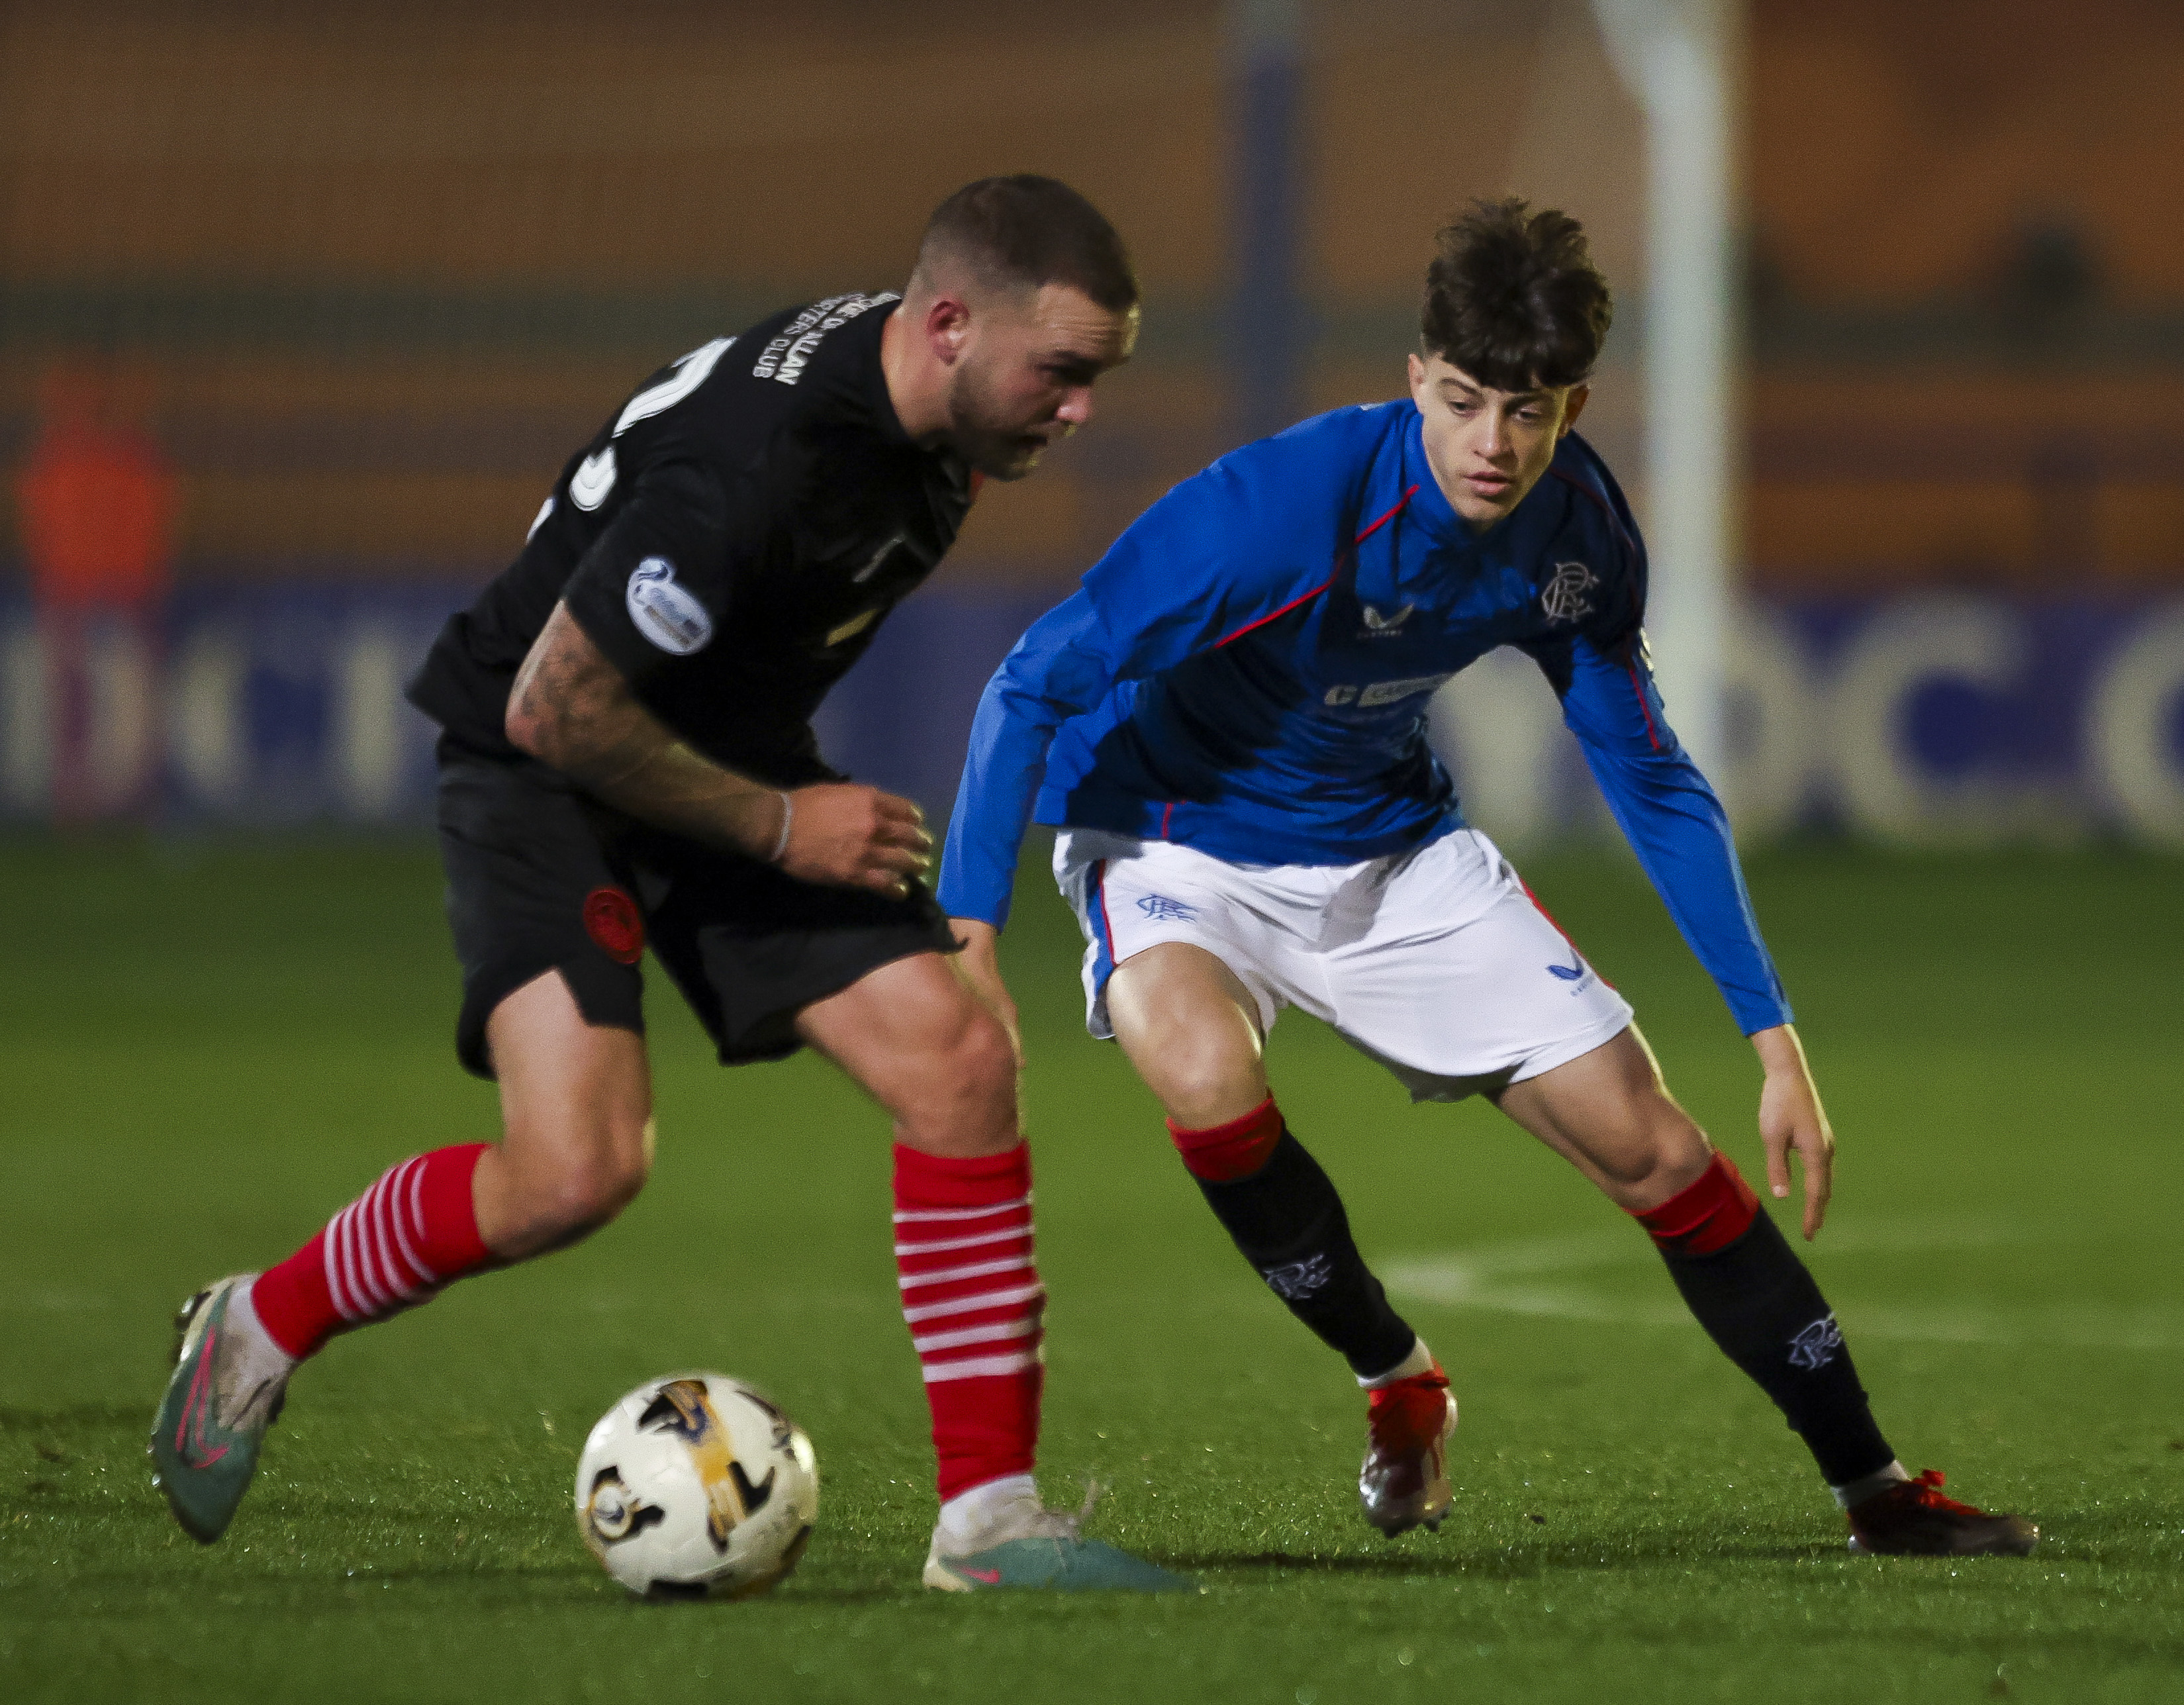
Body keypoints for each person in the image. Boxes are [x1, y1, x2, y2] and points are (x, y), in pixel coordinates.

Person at [938, 198, 2037, 1559]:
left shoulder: (1574, 534)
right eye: (1463, 403)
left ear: (1573, 405)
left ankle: (1877, 1492)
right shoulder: (1280, 509)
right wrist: (968, 929)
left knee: (1655, 1147)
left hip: (1392, 845)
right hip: (1175, 839)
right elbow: (1032, 679)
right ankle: (1396, 1379)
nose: (1492, 445)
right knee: (1201, 1066)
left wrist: (1772, 1033)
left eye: (1527, 412)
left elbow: (1649, 771)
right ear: (1416, 378)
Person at [150, 175, 1190, 1594]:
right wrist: (776, 826)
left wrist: (764, 802)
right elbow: (552, 711)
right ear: (945, 323)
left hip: (716, 758)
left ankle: (990, 1527)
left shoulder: (940, 425)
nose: (1078, 411)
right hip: (550, 772)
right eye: (1062, 373)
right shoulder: (758, 465)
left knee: (958, 1060)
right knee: (579, 1169)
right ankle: (260, 1325)